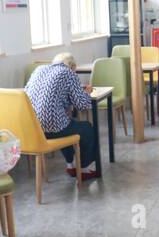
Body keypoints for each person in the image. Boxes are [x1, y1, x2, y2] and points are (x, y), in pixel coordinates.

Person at [25, 52, 103, 180]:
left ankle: (71, 164)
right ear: (73, 66)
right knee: (87, 128)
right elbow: (82, 104)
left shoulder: (39, 69)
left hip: (34, 129)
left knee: (66, 122)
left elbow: (27, 93)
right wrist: (87, 93)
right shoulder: (69, 73)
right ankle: (83, 168)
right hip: (53, 128)